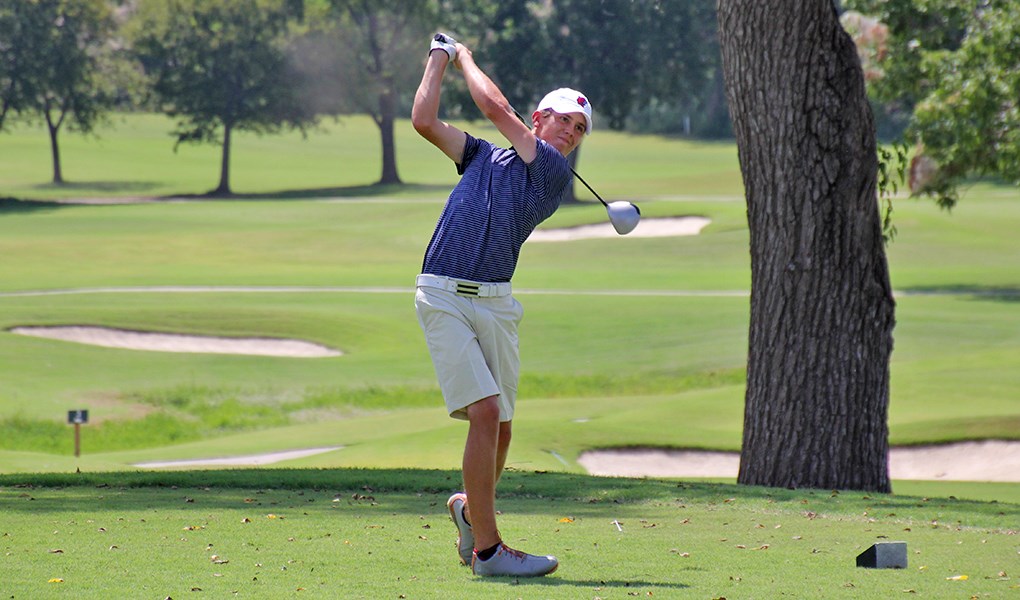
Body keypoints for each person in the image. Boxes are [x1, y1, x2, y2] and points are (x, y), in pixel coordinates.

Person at [411, 33, 592, 578]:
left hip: (497, 302)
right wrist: (439, 58)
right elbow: (424, 120)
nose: (570, 132)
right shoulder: (481, 156)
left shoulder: (552, 174)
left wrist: (464, 51)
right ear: (539, 119)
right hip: (442, 293)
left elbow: (493, 105)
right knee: (485, 413)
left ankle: (470, 509)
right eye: (563, 120)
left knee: (503, 425)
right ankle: (489, 552)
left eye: (579, 129)